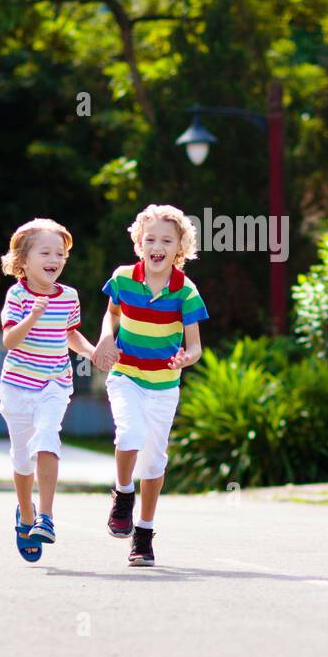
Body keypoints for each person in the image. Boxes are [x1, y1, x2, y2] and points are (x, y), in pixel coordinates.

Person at [93, 204, 208, 566]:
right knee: (129, 435)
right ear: (139, 243)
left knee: (155, 461)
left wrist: (185, 359)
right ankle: (123, 494)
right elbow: (111, 316)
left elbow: (195, 347)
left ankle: (143, 534)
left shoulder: (185, 291)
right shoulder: (124, 278)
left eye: (167, 240)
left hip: (163, 385)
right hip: (126, 374)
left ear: (180, 248)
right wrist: (105, 339)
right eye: (150, 239)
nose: (157, 245)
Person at [0, 218, 97, 562]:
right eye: (46, 252)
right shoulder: (18, 295)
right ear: (23, 260)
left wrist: (92, 352)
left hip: (55, 383)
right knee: (22, 457)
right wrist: (32, 316)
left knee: (47, 438)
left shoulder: (68, 296)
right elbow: (10, 340)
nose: (55, 258)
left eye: (60, 253)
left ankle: (46, 517)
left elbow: (70, 334)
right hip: (17, 387)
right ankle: (26, 514)